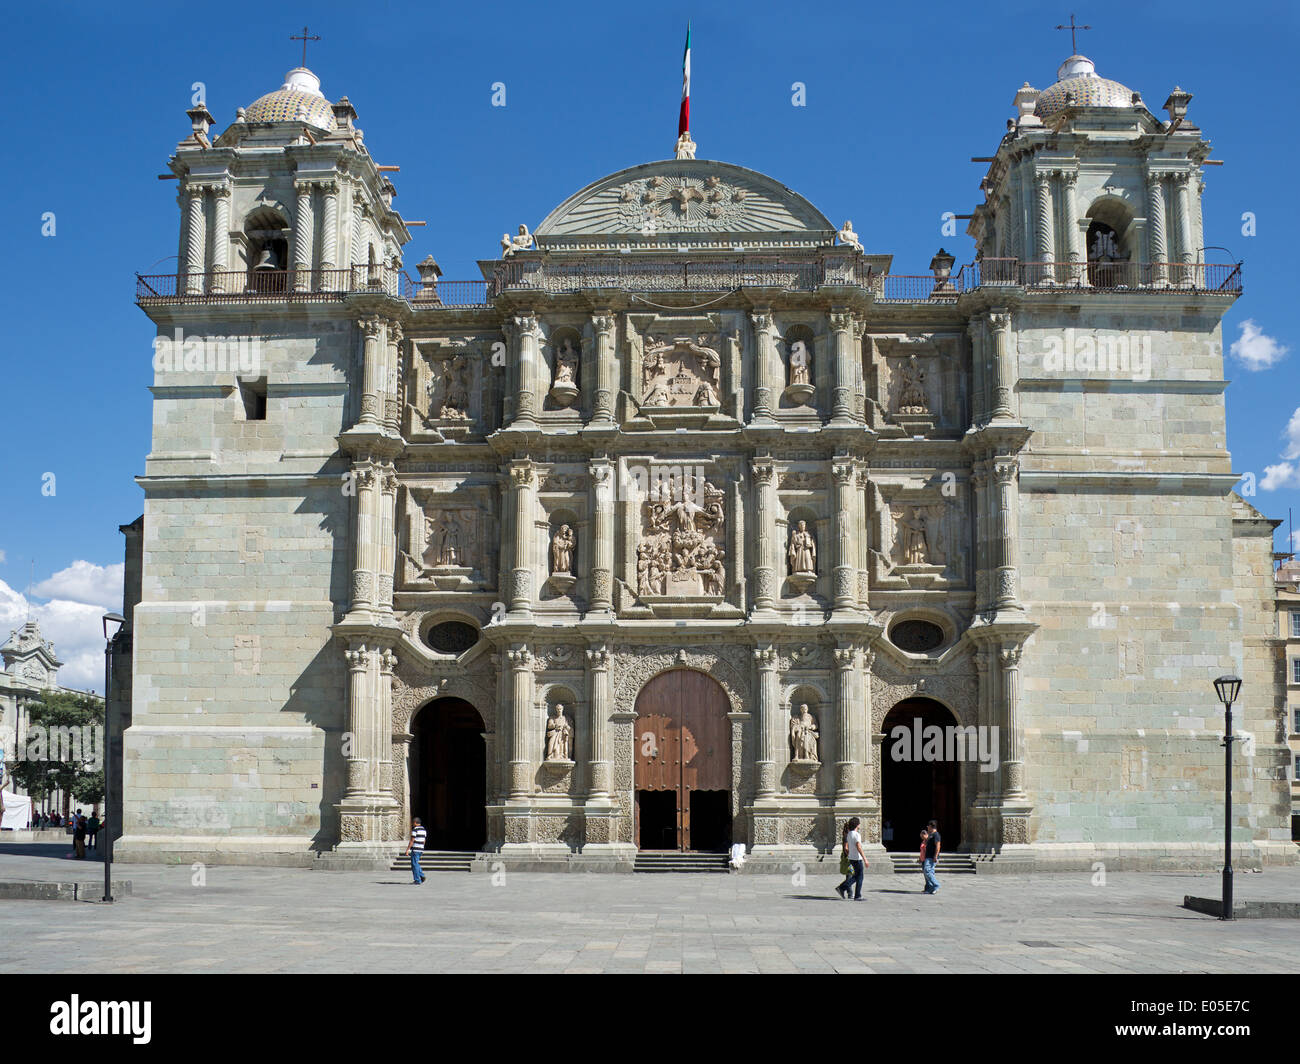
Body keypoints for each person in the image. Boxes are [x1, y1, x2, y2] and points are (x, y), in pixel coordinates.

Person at [836, 817, 869, 900]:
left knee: (856, 876)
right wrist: (865, 858)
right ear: (857, 825)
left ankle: (844, 889)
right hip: (857, 858)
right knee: (859, 877)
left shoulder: (849, 834)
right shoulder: (857, 835)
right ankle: (854, 894)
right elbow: (858, 847)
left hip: (851, 858)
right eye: (859, 823)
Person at [920, 819, 941, 895]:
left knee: (927, 870)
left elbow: (938, 846)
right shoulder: (930, 835)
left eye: (928, 826)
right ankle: (931, 888)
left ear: (931, 826)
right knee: (930, 871)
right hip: (928, 856)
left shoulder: (936, 835)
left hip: (931, 857)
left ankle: (936, 885)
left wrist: (935, 856)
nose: (927, 827)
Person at [405, 817, 427, 885]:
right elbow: (424, 840)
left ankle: (418, 879)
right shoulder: (424, 830)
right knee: (416, 863)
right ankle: (421, 875)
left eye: (412, 822)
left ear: (415, 822)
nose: (412, 824)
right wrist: (422, 847)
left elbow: (412, 840)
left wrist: (408, 849)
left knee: (414, 864)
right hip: (420, 849)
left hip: (415, 849)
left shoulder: (415, 830)